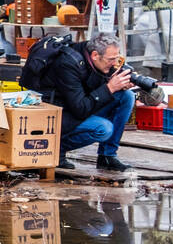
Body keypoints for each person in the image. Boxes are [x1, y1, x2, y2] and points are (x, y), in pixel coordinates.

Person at [33, 31, 137, 172]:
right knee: (103, 129)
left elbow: (91, 90)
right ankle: (55, 149)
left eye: (117, 59)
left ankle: (107, 156)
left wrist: (116, 83)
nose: (114, 64)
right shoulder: (68, 64)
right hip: (56, 113)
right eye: (111, 60)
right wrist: (110, 86)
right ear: (95, 55)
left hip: (77, 107)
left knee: (126, 96)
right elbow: (80, 108)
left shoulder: (93, 59)